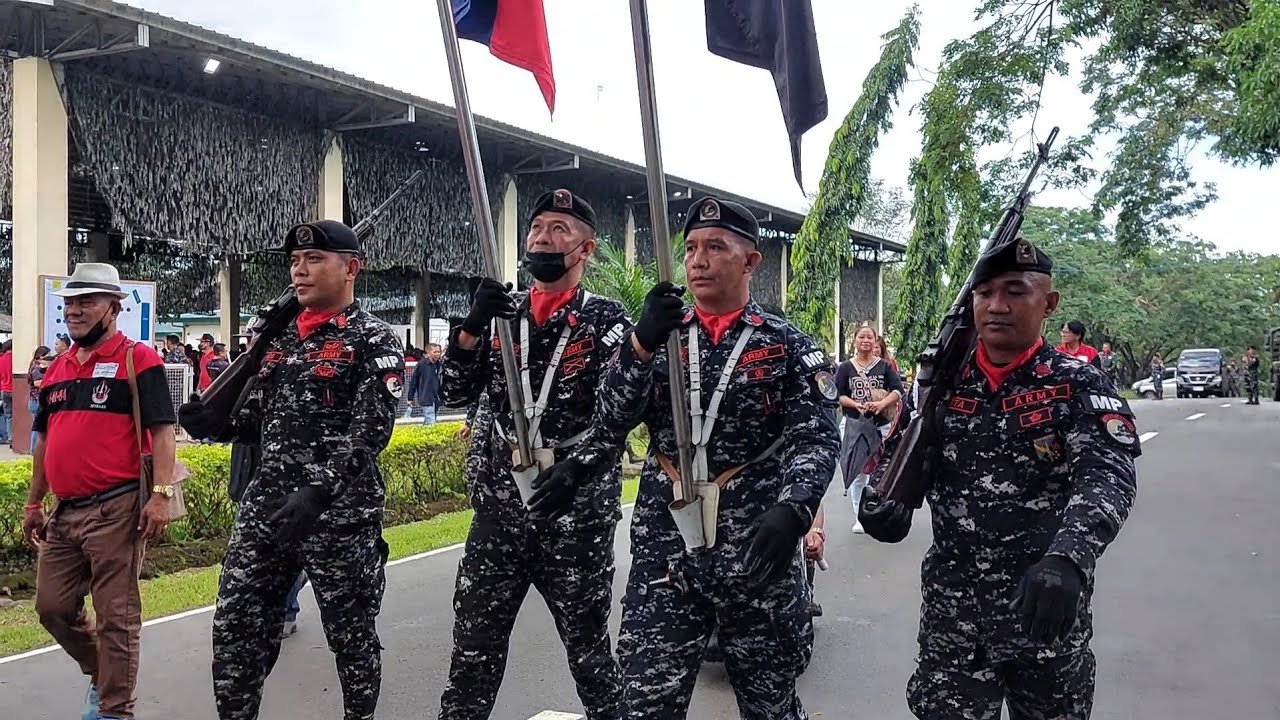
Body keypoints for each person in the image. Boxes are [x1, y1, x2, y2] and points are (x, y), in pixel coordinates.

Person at [859, 238, 1140, 720]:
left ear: (1048, 303)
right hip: (954, 615)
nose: (997, 306)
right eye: (985, 293)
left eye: (1015, 291)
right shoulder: (941, 383)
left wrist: (1069, 557)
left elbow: (1106, 475)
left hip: (1042, 604)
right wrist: (883, 501)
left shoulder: (1076, 381)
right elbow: (899, 452)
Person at [586, 196, 840, 719]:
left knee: (771, 708)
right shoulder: (660, 338)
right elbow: (609, 419)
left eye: (715, 247)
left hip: (756, 553)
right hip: (668, 556)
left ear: (750, 262)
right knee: (643, 707)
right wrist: (639, 345)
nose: (697, 260)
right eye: (692, 248)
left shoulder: (786, 344)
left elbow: (815, 437)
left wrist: (793, 510)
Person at [178, 219, 403, 720]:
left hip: (339, 515)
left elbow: (369, 434)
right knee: (237, 628)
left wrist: (320, 493)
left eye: (314, 260)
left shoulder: (373, 340)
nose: (299, 271)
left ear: (351, 269)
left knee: (352, 636)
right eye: (295, 262)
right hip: (269, 508)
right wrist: (212, 421)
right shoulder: (275, 341)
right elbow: (253, 423)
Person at [436, 189, 630, 720]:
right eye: (537, 227)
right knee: (472, 652)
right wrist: (471, 330)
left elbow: (621, 411)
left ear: (585, 250)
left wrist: (581, 465)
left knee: (590, 656)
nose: (543, 237)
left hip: (574, 513)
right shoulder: (503, 313)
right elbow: (454, 391)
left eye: (559, 230)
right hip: (500, 513)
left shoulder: (608, 324)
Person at [21, 262, 178, 720]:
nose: (75, 310)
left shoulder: (139, 359)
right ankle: (101, 673)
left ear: (114, 307)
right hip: (64, 512)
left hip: (119, 507)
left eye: (86, 301)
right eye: (70, 301)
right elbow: (44, 443)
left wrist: (162, 495)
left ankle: (113, 710)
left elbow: (163, 432)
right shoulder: (56, 370)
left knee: (116, 617)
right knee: (51, 607)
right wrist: (34, 501)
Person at [835, 323, 903, 534]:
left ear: (875, 342)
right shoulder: (845, 367)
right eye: (861, 337)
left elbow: (898, 391)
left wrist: (881, 404)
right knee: (856, 471)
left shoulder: (884, 366)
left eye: (869, 337)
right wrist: (855, 404)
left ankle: (880, 512)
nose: (865, 340)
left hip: (881, 425)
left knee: (883, 469)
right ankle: (859, 516)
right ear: (854, 341)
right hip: (854, 425)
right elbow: (837, 394)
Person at [25, 347, 54, 455]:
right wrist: (51, 380)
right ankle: (34, 451)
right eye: (47, 355)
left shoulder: (38, 366)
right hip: (36, 401)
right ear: (41, 356)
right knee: (38, 428)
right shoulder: (37, 367)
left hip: (36, 400)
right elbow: (37, 383)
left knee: (38, 427)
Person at [407, 342, 443, 424]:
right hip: (426, 397)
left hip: (437, 397)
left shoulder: (440, 365)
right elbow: (413, 381)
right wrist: (410, 397)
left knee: (430, 420)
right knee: (431, 421)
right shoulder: (421, 364)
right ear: (428, 353)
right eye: (435, 352)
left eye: (439, 352)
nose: (437, 354)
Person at [0, 339, 12, 445]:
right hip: (15, 389)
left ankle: (9, 436)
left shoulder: (1, 359)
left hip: (4, 389)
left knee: (8, 415)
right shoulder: (16, 359)